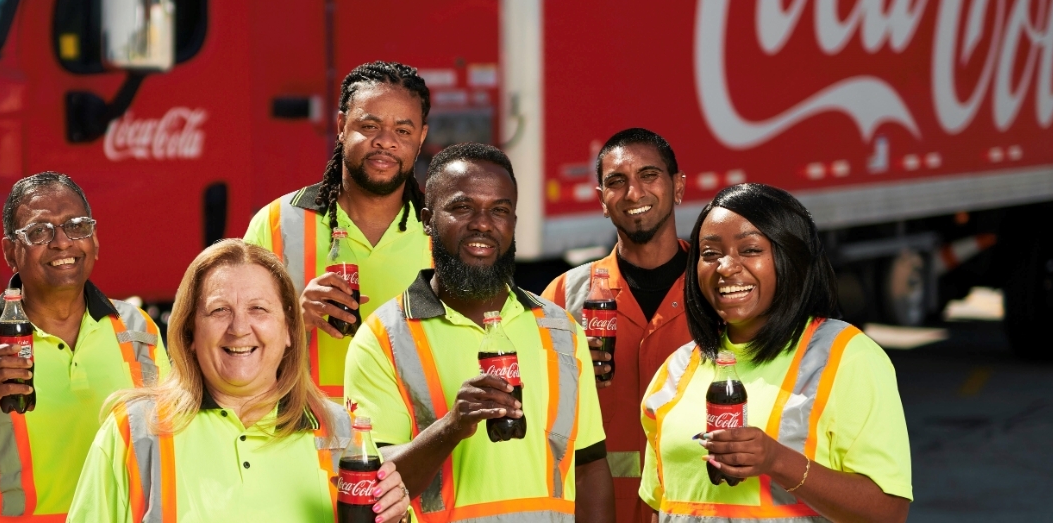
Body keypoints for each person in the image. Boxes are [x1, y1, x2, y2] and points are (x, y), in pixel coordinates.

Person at [345, 143, 615, 523]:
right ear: (427, 219)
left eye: (499, 210)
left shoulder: (561, 330)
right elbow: (374, 486)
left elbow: (589, 469)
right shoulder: (382, 338)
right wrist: (452, 426)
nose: (483, 224)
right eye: (462, 207)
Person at [67, 239, 411, 522]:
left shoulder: (343, 435)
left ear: (289, 330)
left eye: (258, 309)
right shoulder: (135, 432)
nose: (239, 328)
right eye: (219, 310)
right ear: (190, 332)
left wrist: (396, 516)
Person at [0, 172, 169, 522]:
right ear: (10, 252)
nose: (62, 242)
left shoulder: (138, 329)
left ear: (94, 240)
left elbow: (175, 451)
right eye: (39, 232)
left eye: (77, 226)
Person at [640, 184, 912, 522]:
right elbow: (661, 507)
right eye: (709, 253)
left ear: (791, 258)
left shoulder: (845, 355)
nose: (726, 266)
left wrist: (777, 461)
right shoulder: (678, 368)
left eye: (750, 249)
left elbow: (889, 512)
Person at [244, 61, 433, 399]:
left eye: (403, 131)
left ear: (421, 137)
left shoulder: (442, 231)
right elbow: (232, 336)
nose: (386, 142)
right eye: (370, 126)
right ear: (342, 126)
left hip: (408, 429)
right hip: (304, 425)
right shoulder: (278, 222)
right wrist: (293, 318)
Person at [542, 128, 691, 523]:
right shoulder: (564, 295)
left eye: (649, 175)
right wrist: (567, 376)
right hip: (600, 510)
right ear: (602, 200)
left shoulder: (713, 288)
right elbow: (536, 408)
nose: (633, 193)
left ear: (678, 186)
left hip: (694, 504)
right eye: (617, 181)